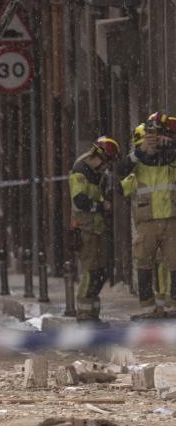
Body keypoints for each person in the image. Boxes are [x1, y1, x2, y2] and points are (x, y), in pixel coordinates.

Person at [119, 112, 176, 319]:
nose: (153, 142)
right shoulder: (138, 164)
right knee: (144, 266)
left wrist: (171, 145)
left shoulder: (170, 160)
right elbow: (120, 175)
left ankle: (172, 309)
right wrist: (139, 152)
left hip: (171, 220)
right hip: (146, 223)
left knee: (174, 266)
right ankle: (148, 310)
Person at [69, 136, 120, 322]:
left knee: (101, 271)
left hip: (97, 228)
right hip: (85, 229)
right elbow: (80, 201)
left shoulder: (98, 174)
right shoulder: (81, 170)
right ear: (99, 156)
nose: (106, 167)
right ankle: (84, 313)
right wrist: (101, 205)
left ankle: (93, 312)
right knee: (91, 271)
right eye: (106, 162)